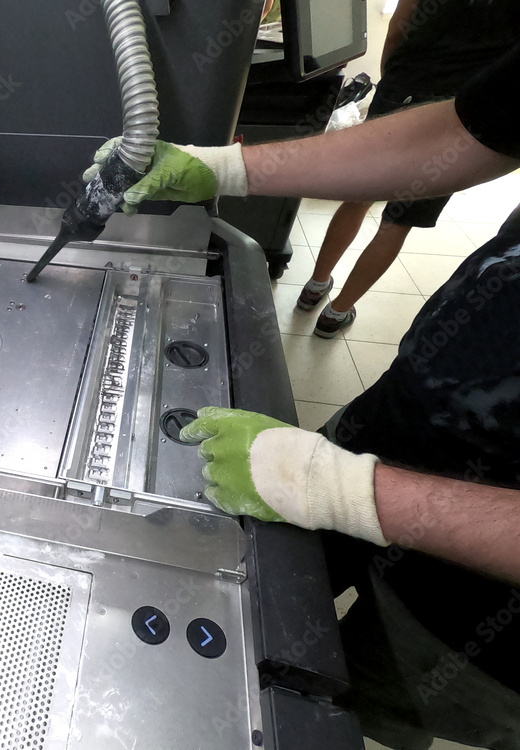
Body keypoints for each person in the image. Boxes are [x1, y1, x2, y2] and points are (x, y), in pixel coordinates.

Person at [85, 41, 520, 749]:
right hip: (396, 427)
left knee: (359, 713)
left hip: (478, 610)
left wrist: (343, 491)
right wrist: (223, 166)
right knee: (284, 606)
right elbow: (459, 135)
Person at [296, 0, 520, 338]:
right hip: (459, 117)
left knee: (358, 198)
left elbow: (399, 25)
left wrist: (394, 82)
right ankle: (336, 313)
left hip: (405, 89)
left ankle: (315, 286)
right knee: (396, 223)